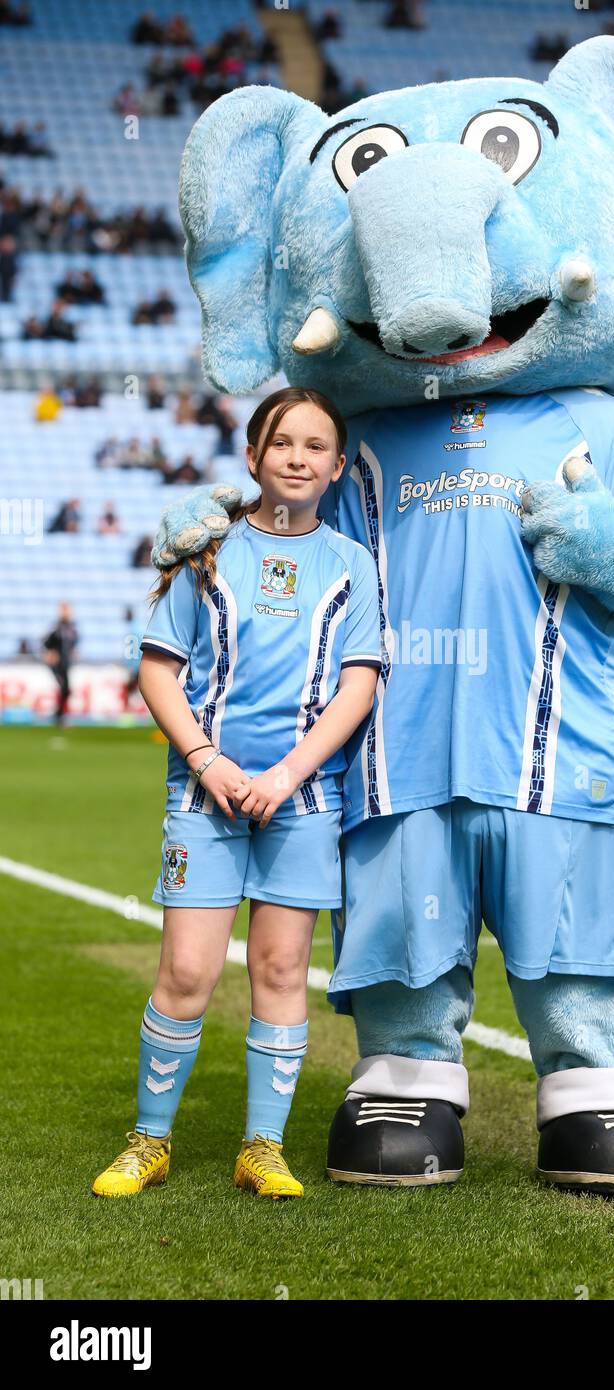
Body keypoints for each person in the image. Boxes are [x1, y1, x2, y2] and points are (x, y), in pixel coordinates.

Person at [91, 387, 381, 1200]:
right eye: (281, 442)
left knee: (283, 966)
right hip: (203, 793)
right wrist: (208, 759)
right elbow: (158, 667)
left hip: (303, 798)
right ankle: (148, 1141)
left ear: (335, 465)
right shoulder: (207, 551)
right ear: (252, 456)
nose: (297, 457)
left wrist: (289, 773)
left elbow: (358, 684)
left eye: (315, 446)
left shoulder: (352, 564)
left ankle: (263, 1147)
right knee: (186, 971)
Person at [42, 603, 78, 725]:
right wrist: (50, 653)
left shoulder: (72, 628)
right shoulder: (57, 628)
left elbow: (74, 642)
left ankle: (59, 714)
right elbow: (47, 643)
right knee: (64, 688)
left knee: (66, 690)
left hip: (66, 663)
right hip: (57, 665)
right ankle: (60, 716)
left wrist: (73, 652)